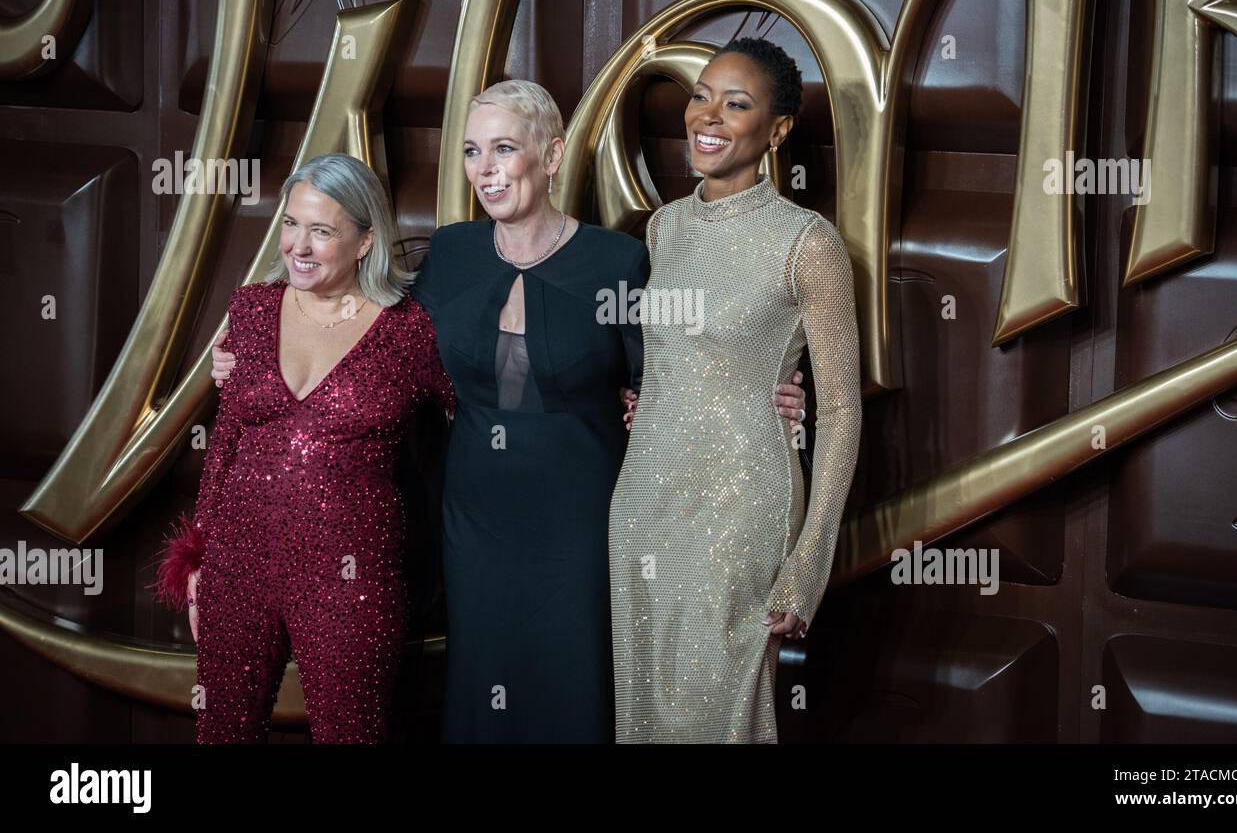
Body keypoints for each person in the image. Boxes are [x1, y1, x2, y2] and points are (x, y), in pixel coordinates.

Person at [210, 81, 809, 742]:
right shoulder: (453, 254)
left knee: (573, 685)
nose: (484, 167)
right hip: (475, 521)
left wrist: (768, 389)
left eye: (503, 148)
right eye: (471, 150)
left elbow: (677, 375)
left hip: (580, 519)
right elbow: (373, 335)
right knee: (480, 686)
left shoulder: (618, 259)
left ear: (551, 156)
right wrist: (252, 364)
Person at [608, 37, 862, 743]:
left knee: (716, 720)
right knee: (643, 717)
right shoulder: (663, 227)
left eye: (737, 103)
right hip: (642, 506)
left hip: (739, 511)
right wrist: (649, 402)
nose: (709, 116)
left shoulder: (807, 242)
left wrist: (809, 563)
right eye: (701, 95)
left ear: (776, 130)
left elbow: (840, 409)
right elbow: (672, 362)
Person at [153, 153, 455, 743]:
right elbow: (227, 444)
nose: (299, 245)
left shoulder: (407, 331)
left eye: (322, 230)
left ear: (366, 241)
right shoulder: (252, 307)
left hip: (350, 577)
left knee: (351, 735)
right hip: (237, 567)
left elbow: (480, 412)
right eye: (292, 223)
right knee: (222, 733)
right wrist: (200, 559)